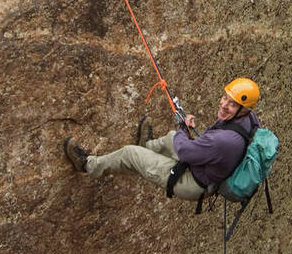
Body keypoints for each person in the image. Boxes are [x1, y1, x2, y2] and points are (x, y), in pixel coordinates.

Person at [63, 78, 261, 201]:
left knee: (130, 153)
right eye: (225, 98)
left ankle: (88, 165)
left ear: (243, 110)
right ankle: (147, 146)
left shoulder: (225, 141)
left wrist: (184, 128)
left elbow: (185, 152)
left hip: (191, 182)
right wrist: (183, 134)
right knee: (173, 138)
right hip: (207, 166)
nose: (224, 105)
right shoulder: (249, 120)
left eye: (232, 104)